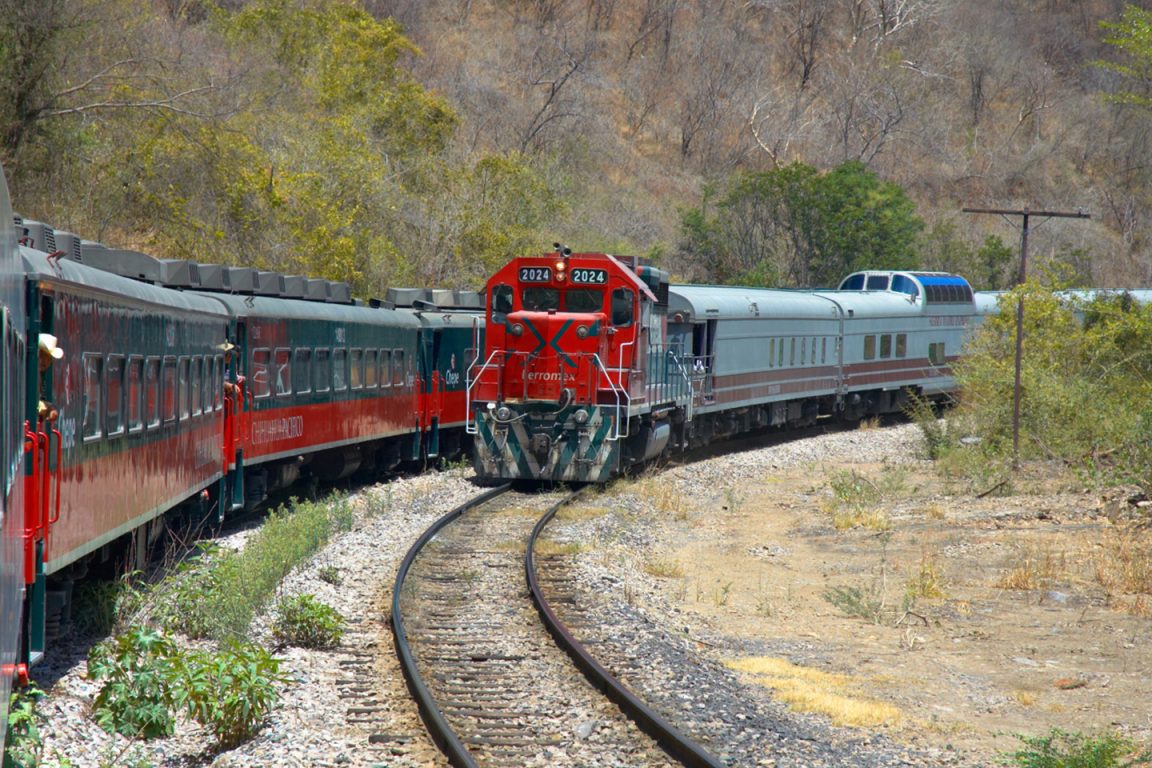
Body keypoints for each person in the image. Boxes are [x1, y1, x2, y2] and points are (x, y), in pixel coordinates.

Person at [37, 333, 63, 422]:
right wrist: (48, 407)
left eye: (48, 357)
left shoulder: (39, 376)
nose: (44, 361)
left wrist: (49, 408)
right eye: (41, 355)